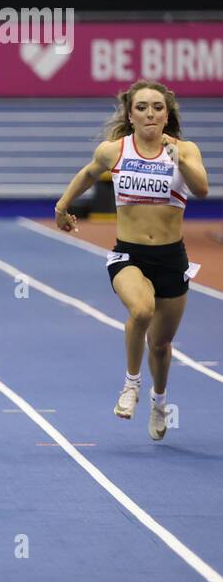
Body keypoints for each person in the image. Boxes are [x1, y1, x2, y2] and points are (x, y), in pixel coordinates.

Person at [55, 80, 209, 440]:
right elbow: (88, 173)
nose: (150, 113)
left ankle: (159, 401)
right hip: (130, 254)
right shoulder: (116, 150)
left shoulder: (185, 150)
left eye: (157, 107)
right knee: (141, 311)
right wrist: (62, 206)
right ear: (130, 114)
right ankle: (131, 384)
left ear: (167, 113)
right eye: (142, 107)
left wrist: (181, 160)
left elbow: (202, 189)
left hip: (172, 258)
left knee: (161, 344)